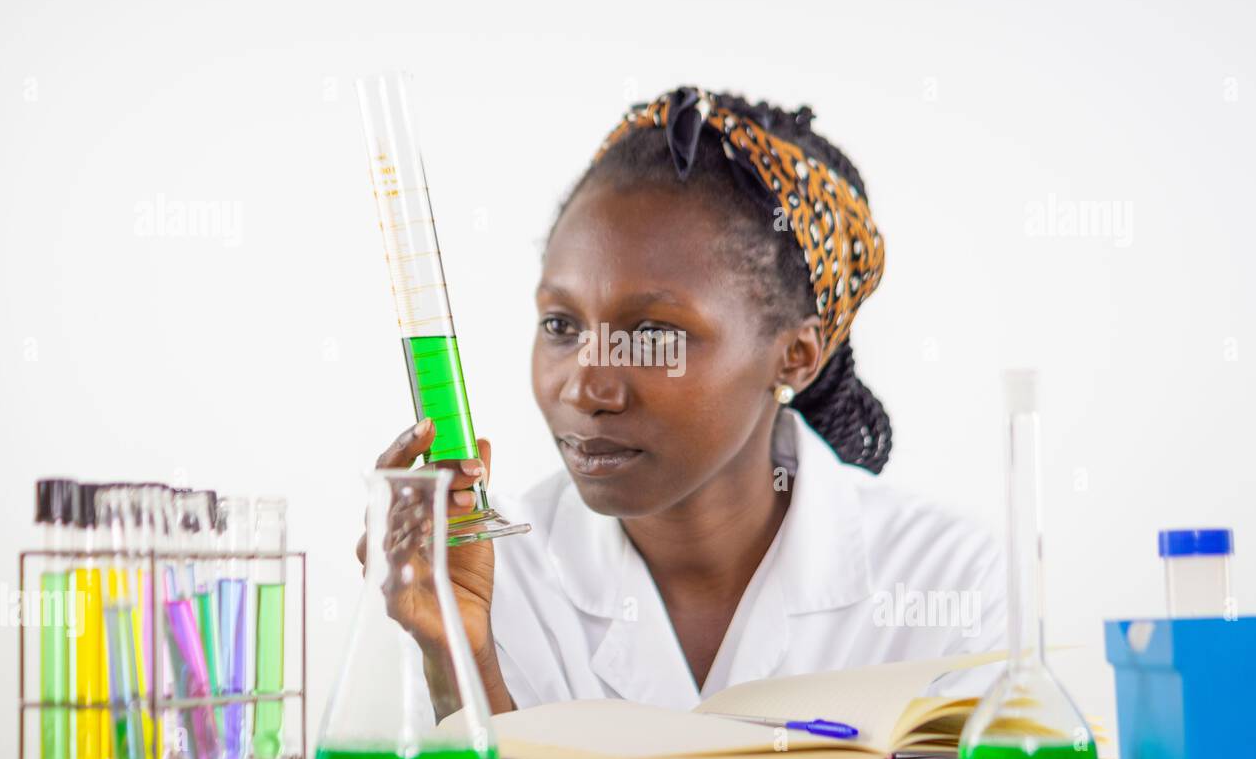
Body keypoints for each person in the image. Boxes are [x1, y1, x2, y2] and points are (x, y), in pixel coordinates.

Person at [361, 86, 1006, 713]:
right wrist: (461, 657)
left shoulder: (948, 586)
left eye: (653, 336)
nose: (586, 387)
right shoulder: (485, 573)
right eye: (562, 325)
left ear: (797, 356)